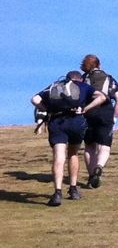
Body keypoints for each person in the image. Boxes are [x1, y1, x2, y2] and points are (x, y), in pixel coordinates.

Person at [30, 71, 104, 206]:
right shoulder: (83, 86)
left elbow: (34, 99)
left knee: (59, 156)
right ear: (79, 79)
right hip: (76, 121)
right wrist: (85, 109)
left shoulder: (54, 86)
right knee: (73, 154)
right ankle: (73, 189)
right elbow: (101, 97)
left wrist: (46, 109)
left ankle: (57, 192)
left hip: (57, 122)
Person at [80, 54, 118, 189]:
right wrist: (115, 117)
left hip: (88, 113)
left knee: (89, 146)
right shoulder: (109, 79)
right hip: (106, 112)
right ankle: (99, 167)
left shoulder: (83, 79)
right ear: (99, 64)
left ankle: (90, 177)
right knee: (104, 146)